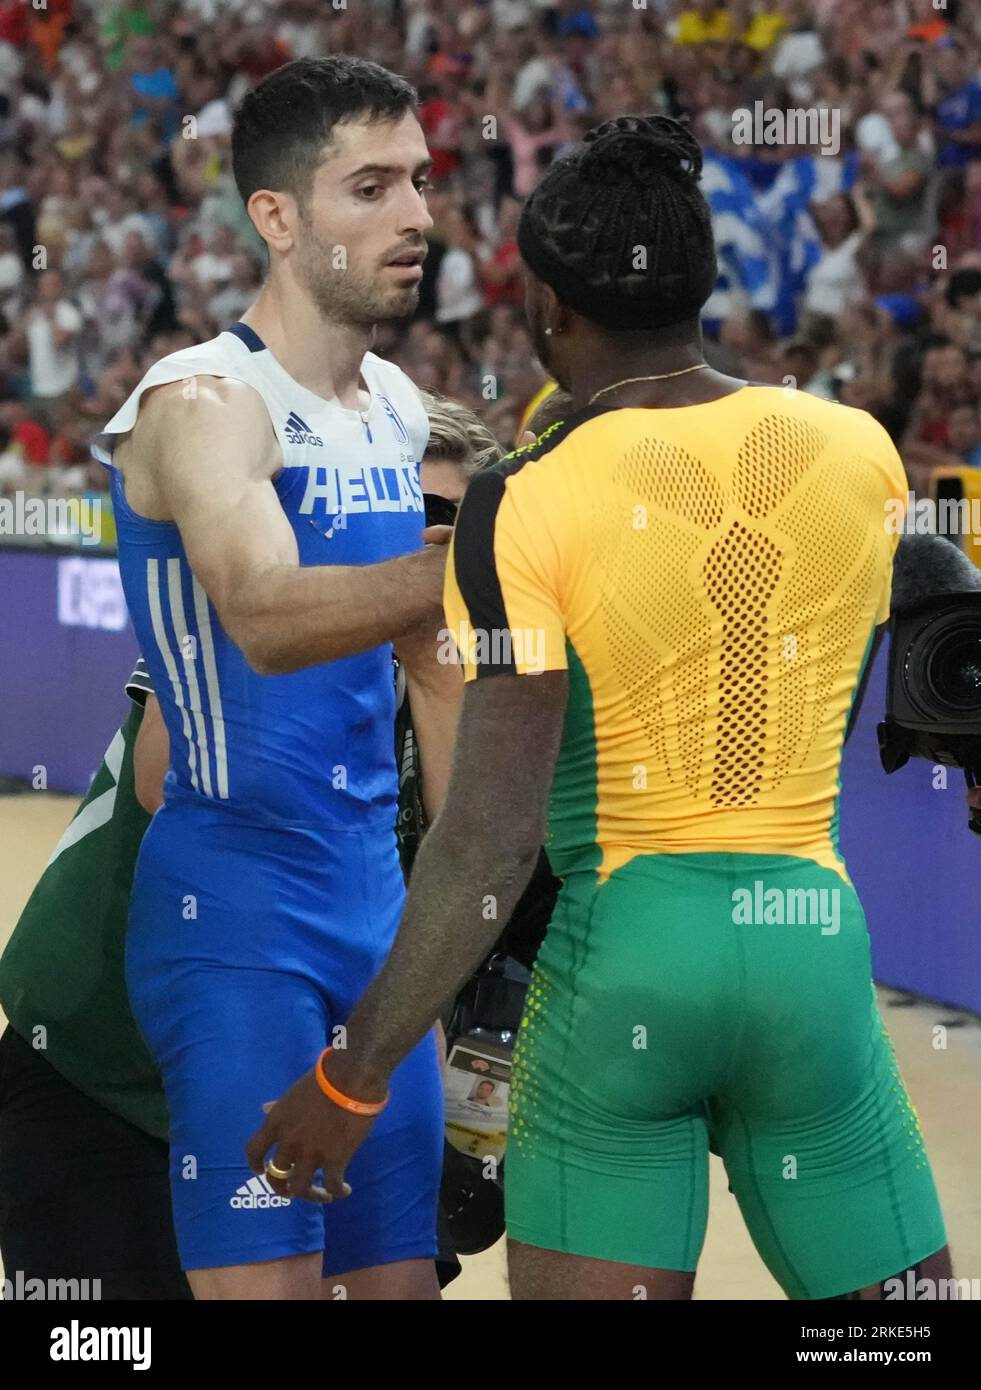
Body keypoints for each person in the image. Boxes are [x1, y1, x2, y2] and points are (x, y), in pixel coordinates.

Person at [249, 114, 952, 1303]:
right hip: (813, 952)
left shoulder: (523, 496)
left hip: (625, 960)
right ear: (706, 285)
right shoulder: (857, 447)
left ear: (544, 311)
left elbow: (489, 840)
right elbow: (937, 590)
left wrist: (353, 1075)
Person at [92, 54, 461, 1301]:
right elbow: (261, 615)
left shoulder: (399, 407)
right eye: (372, 187)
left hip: (378, 909)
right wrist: (488, 557)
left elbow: (426, 664)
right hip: (236, 916)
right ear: (278, 217)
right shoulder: (200, 398)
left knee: (402, 1288)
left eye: (420, 180)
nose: (417, 215)